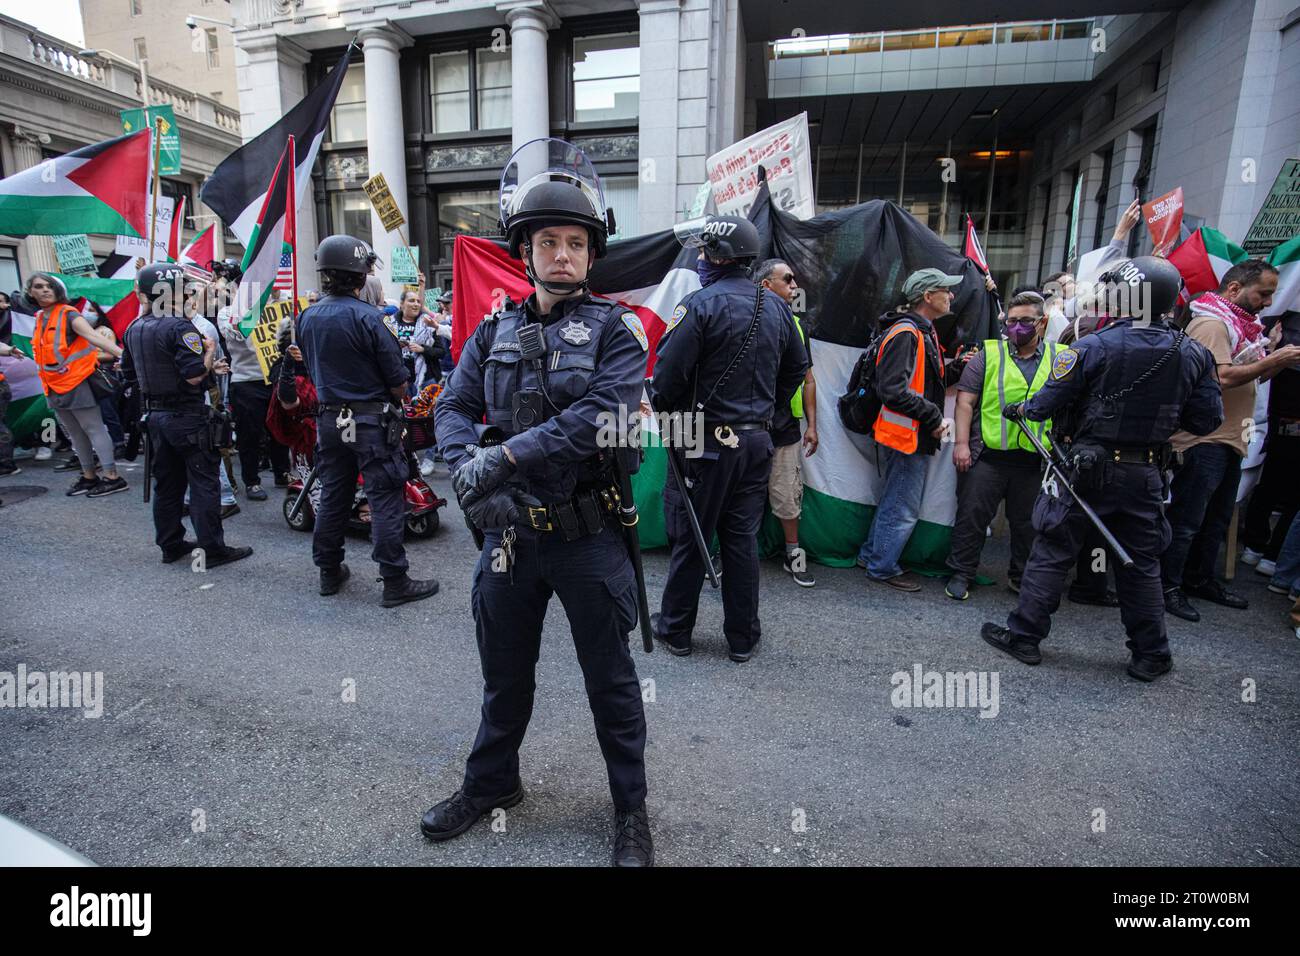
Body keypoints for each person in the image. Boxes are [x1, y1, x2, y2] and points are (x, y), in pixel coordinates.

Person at [427, 154, 653, 866]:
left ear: (591, 253)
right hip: (507, 536)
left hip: (586, 535)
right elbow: (454, 405)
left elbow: (599, 416)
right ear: (524, 251)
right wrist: (469, 462)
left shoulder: (618, 332)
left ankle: (630, 809)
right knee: (504, 674)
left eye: (577, 243)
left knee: (611, 683)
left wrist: (508, 456)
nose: (563, 254)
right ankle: (492, 785)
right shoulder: (491, 332)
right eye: (549, 241)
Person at [981, 256, 1224, 682]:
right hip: (1146, 473)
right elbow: (1205, 421)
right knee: (1142, 563)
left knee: (1053, 552)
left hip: (1082, 470)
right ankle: (1151, 654)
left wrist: (1021, 407)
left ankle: (1024, 637)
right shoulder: (1194, 354)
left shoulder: (1094, 346)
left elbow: (1043, 405)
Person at [651, 218, 807, 657]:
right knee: (741, 540)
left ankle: (676, 630)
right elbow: (798, 367)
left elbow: (665, 380)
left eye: (704, 251)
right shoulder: (776, 307)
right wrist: (769, 412)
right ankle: (743, 638)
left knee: (693, 537)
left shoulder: (699, 305)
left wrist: (677, 418)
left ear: (718, 255)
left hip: (704, 441)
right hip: (757, 441)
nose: (699, 258)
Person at [296, 235, 438, 607]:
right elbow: (398, 383)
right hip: (371, 421)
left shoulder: (306, 317)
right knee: (385, 498)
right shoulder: (372, 319)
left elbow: (311, 370)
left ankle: (328, 570)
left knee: (333, 496)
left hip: (331, 420)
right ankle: (394, 580)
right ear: (360, 276)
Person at [1161, 260, 1300, 622]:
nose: (1268, 303)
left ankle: (1198, 579)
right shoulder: (1211, 323)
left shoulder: (1238, 325)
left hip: (1229, 439)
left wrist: (1274, 360)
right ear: (1235, 289)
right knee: (1188, 518)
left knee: (1217, 518)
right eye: (1264, 293)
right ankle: (1167, 586)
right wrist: (1279, 358)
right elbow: (1220, 378)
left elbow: (1247, 378)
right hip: (1202, 439)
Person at [120, 262, 252, 567]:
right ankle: (213, 549)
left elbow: (127, 374)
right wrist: (208, 353)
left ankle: (170, 544)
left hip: (155, 417)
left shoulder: (134, 327)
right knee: (204, 483)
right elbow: (194, 375)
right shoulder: (180, 326)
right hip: (187, 416)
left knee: (168, 485)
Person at [946, 292, 1064, 600]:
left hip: (1034, 460)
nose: (1017, 327)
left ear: (1043, 322)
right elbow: (965, 402)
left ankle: (1020, 577)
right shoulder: (989, 354)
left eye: (1026, 321)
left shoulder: (1061, 358)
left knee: (1028, 525)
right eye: (1012, 321)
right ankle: (962, 572)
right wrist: (961, 444)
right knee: (972, 518)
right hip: (988, 455)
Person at [855, 268, 965, 592]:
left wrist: (959, 366)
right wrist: (934, 418)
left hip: (907, 435)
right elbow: (893, 390)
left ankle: (872, 556)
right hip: (905, 437)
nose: (952, 295)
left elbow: (927, 378)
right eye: (946, 290)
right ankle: (882, 567)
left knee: (894, 499)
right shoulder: (907, 333)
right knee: (902, 507)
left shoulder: (920, 331)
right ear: (928, 297)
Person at [25, 273, 128, 497]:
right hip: (52, 384)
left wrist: (128, 358)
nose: (44, 290)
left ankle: (112, 477)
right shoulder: (40, 317)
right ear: (30, 292)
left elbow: (96, 338)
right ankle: (89, 476)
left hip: (76, 381)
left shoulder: (68, 314)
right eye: (38, 287)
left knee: (93, 428)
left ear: (58, 290)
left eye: (49, 286)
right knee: (74, 433)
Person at [755, 258, 819, 587]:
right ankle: (730, 553)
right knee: (738, 498)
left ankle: (794, 553)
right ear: (767, 285)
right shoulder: (741, 319)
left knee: (787, 496)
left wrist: (812, 425)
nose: (795, 287)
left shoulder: (797, 326)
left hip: (784, 430)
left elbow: (808, 379)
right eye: (789, 280)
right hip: (745, 429)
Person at [215, 268, 290, 502]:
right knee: (249, 436)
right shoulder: (227, 313)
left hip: (274, 379)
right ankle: (252, 481)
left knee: (280, 430)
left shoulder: (276, 311)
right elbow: (234, 335)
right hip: (246, 382)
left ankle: (282, 472)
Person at [1240, 309, 1300, 576]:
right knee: (1278, 477)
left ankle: (1268, 552)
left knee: (1276, 476)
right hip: (1275, 399)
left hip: (1275, 401)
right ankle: (1266, 551)